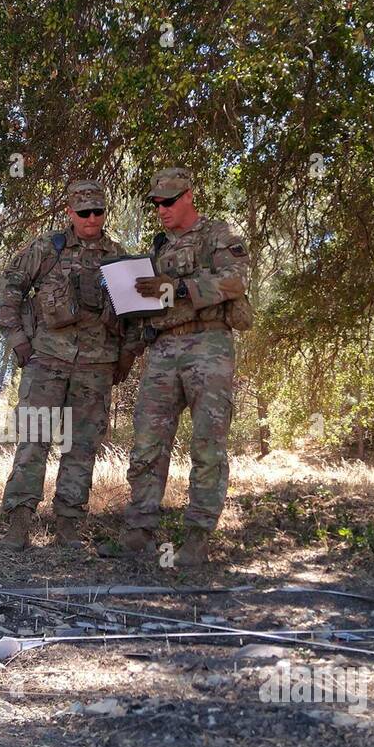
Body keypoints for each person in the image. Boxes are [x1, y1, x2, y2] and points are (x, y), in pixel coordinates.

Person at [0, 178, 140, 550]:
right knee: (33, 440)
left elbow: (135, 317)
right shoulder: (47, 248)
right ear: (70, 212)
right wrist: (18, 340)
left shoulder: (119, 258)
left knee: (82, 446)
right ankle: (19, 524)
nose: (92, 218)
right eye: (84, 212)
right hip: (47, 361)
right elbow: (8, 288)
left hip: (96, 367)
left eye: (98, 211)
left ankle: (69, 526)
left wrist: (126, 356)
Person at [123, 167, 253, 566]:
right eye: (156, 203)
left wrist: (179, 287)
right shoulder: (159, 247)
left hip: (208, 344)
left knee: (207, 443)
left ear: (188, 196)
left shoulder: (219, 234)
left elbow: (237, 280)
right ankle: (139, 533)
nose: (161, 209)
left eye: (169, 201)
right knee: (147, 441)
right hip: (163, 347)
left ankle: (197, 538)